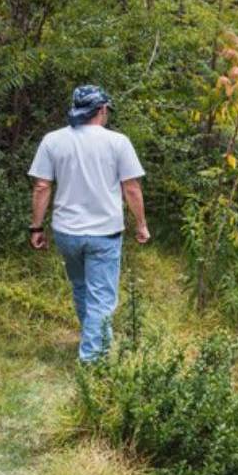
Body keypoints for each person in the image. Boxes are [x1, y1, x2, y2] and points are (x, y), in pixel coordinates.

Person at [28, 85, 148, 362]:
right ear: (102, 110)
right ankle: (93, 362)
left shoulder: (53, 141)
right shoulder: (117, 142)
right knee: (102, 297)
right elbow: (131, 188)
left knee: (82, 288)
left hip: (66, 232)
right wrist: (141, 224)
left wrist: (36, 227)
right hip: (104, 233)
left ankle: (92, 337)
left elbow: (42, 187)